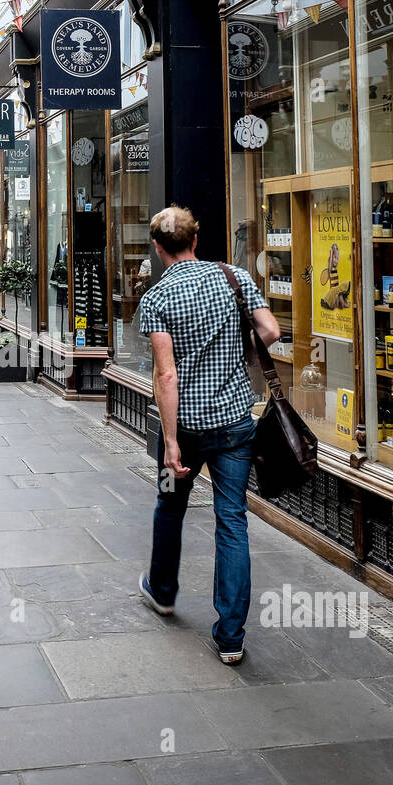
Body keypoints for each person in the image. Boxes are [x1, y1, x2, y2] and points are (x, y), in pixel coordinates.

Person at [134, 206, 280, 666]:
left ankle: (162, 591)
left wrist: (172, 441)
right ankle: (231, 636)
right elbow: (271, 330)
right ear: (196, 240)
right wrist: (238, 354)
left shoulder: (156, 300)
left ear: (159, 249)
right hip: (236, 423)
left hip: (186, 431)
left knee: (168, 503)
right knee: (232, 520)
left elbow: (167, 375)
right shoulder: (235, 277)